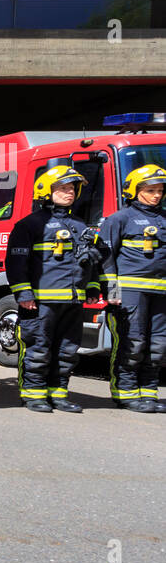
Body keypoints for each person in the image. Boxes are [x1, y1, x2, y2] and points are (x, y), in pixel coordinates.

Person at [5, 165, 107, 413]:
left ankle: (58, 395)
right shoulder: (29, 225)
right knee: (39, 348)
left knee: (67, 351)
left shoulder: (80, 226)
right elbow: (16, 263)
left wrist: (93, 287)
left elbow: (94, 263)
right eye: (62, 188)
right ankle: (33, 395)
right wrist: (24, 294)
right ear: (45, 191)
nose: (69, 193)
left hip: (72, 301)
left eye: (72, 188)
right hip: (41, 302)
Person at [99, 163, 166, 413]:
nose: (156, 195)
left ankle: (149, 394)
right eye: (150, 190)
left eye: (160, 190)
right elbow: (106, 258)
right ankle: (125, 394)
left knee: (158, 345)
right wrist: (113, 294)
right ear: (135, 190)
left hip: (161, 293)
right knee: (132, 343)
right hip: (130, 293)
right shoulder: (119, 219)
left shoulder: (165, 219)